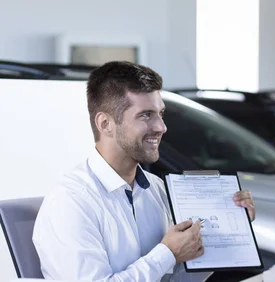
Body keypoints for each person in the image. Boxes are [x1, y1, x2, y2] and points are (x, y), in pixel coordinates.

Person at [32, 61, 256, 282]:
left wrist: (227, 233)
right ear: (105, 123)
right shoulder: (71, 201)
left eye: (160, 113)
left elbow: (172, 279)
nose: (161, 127)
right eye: (146, 115)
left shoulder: (155, 189)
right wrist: (166, 253)